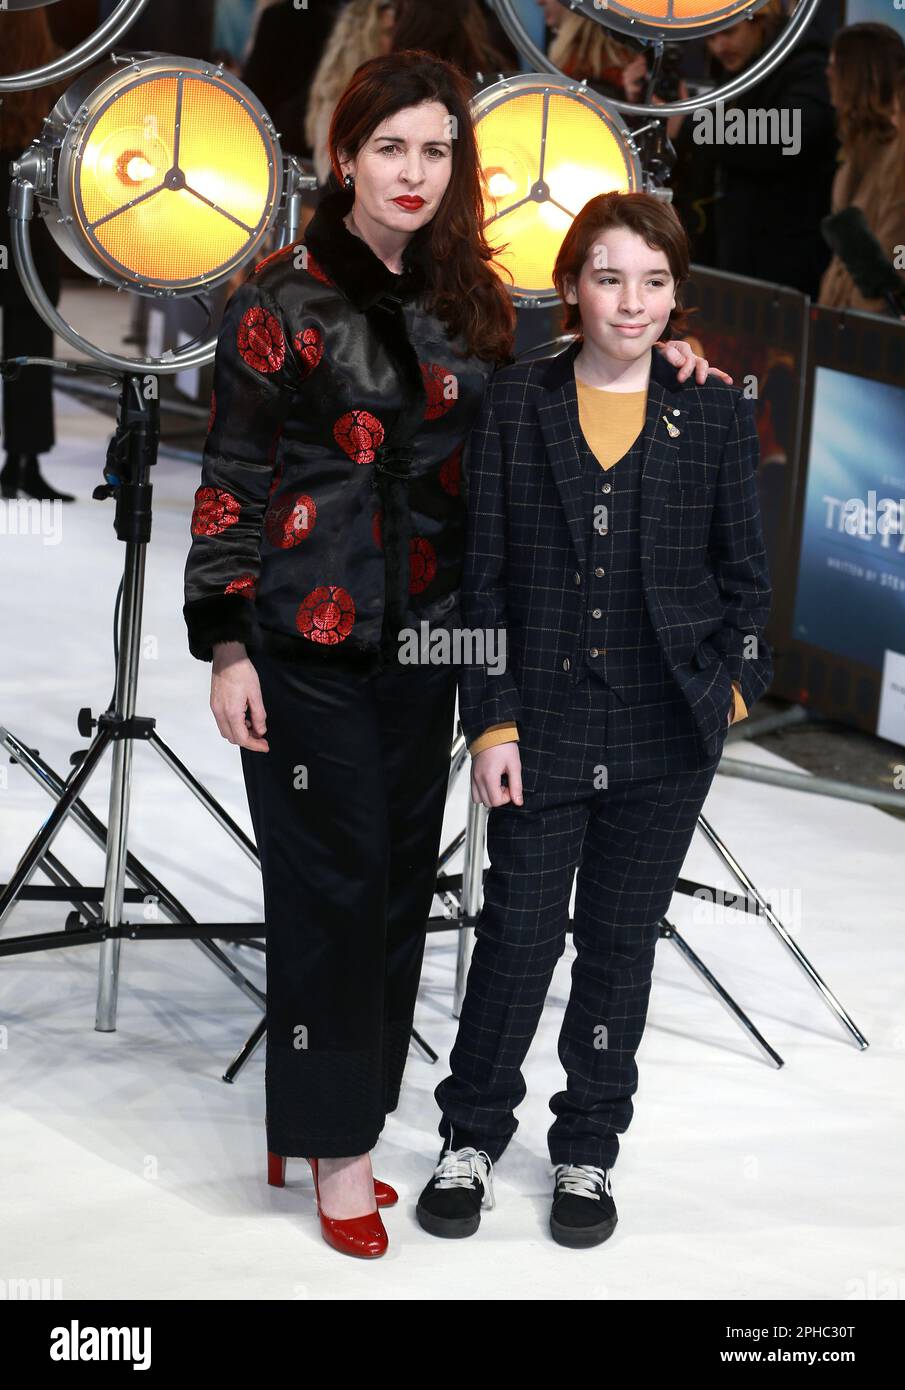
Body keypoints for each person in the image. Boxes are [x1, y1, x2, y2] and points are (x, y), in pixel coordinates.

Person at [182, 51, 730, 1261]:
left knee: (387, 896)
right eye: (391, 148)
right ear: (345, 158)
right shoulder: (277, 296)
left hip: (432, 644)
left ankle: (344, 1117)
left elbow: (571, 373)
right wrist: (223, 642)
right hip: (301, 641)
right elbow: (228, 478)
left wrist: (671, 359)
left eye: (435, 150)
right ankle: (332, 1153)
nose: (413, 172)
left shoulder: (468, 299)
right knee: (327, 895)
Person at [416, 190, 773, 1248]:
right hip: (541, 722)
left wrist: (726, 695)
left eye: (655, 281)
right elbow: (477, 584)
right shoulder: (516, 400)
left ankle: (585, 1149)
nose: (633, 302)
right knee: (515, 940)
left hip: (666, 727)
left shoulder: (707, 405)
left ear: (676, 293)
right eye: (609, 277)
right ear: (569, 285)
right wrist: (490, 724)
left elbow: (744, 575)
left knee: (619, 948)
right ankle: (470, 1134)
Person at [0, 9, 74, 502]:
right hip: (30, 232)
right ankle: (23, 462)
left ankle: (21, 465)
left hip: (22, 231)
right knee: (30, 347)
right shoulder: (52, 82)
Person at [818, 23, 905, 316]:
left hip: (871, 340)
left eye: (835, 65)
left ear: (859, 73)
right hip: (842, 326)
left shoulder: (898, 160)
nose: (828, 73)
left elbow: (891, 272)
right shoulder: (856, 154)